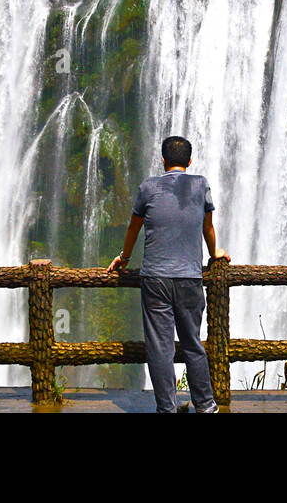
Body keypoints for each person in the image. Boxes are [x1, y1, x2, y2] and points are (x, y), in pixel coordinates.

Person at [107, 135, 228, 413]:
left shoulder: (149, 187)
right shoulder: (200, 184)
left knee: (160, 347)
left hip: (156, 279)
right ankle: (206, 406)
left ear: (163, 161)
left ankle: (167, 409)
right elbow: (207, 228)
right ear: (189, 161)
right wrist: (214, 254)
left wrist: (124, 258)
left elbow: (133, 229)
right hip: (189, 278)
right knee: (192, 344)